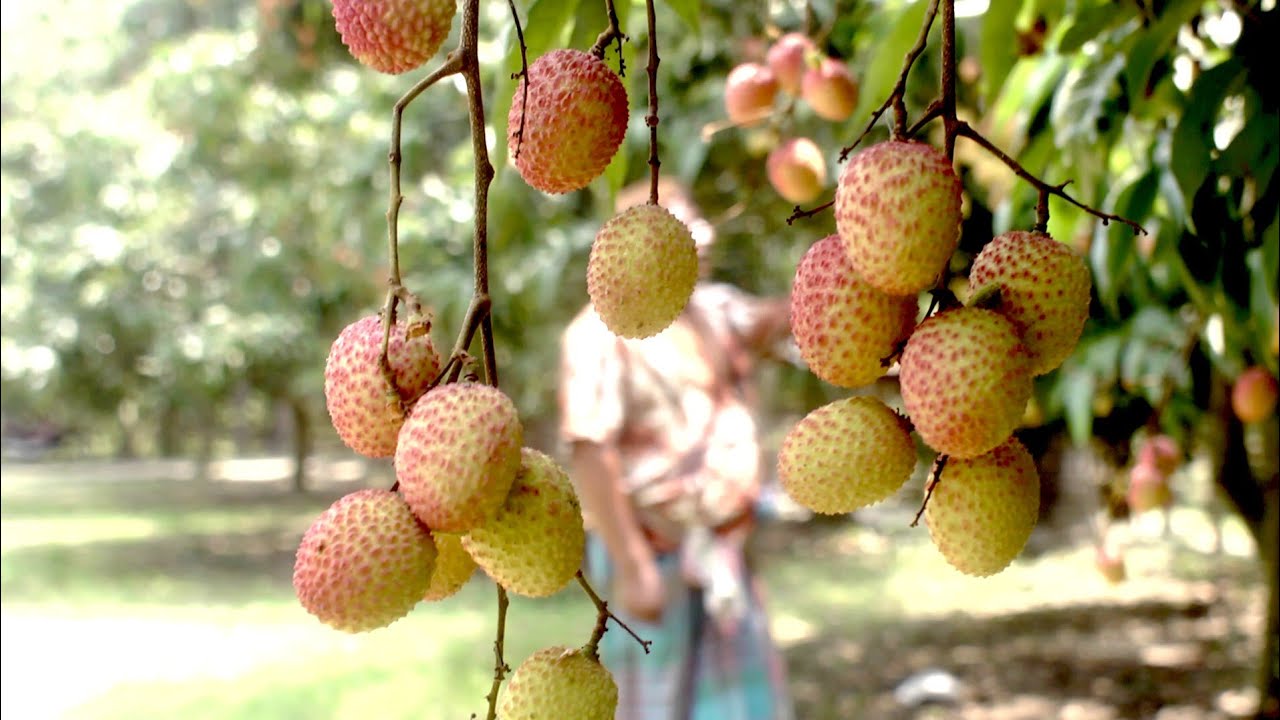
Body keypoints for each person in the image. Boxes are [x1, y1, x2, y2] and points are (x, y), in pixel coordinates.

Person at [558, 178, 795, 720]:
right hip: (654, 553)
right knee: (657, 705)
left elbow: (775, 319)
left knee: (738, 707)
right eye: (687, 226)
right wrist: (633, 564)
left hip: (719, 555)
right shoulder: (599, 333)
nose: (706, 234)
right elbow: (591, 450)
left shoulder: (711, 311)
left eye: (701, 220)